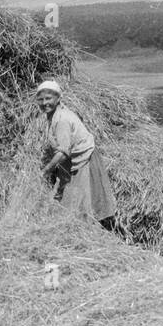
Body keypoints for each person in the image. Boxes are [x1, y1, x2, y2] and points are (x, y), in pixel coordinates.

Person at [36, 80, 117, 228]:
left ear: (58, 98)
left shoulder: (61, 120)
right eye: (40, 99)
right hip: (74, 161)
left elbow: (64, 152)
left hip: (84, 160)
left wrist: (46, 170)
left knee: (82, 205)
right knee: (71, 202)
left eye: (48, 98)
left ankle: (90, 233)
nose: (44, 103)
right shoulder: (55, 115)